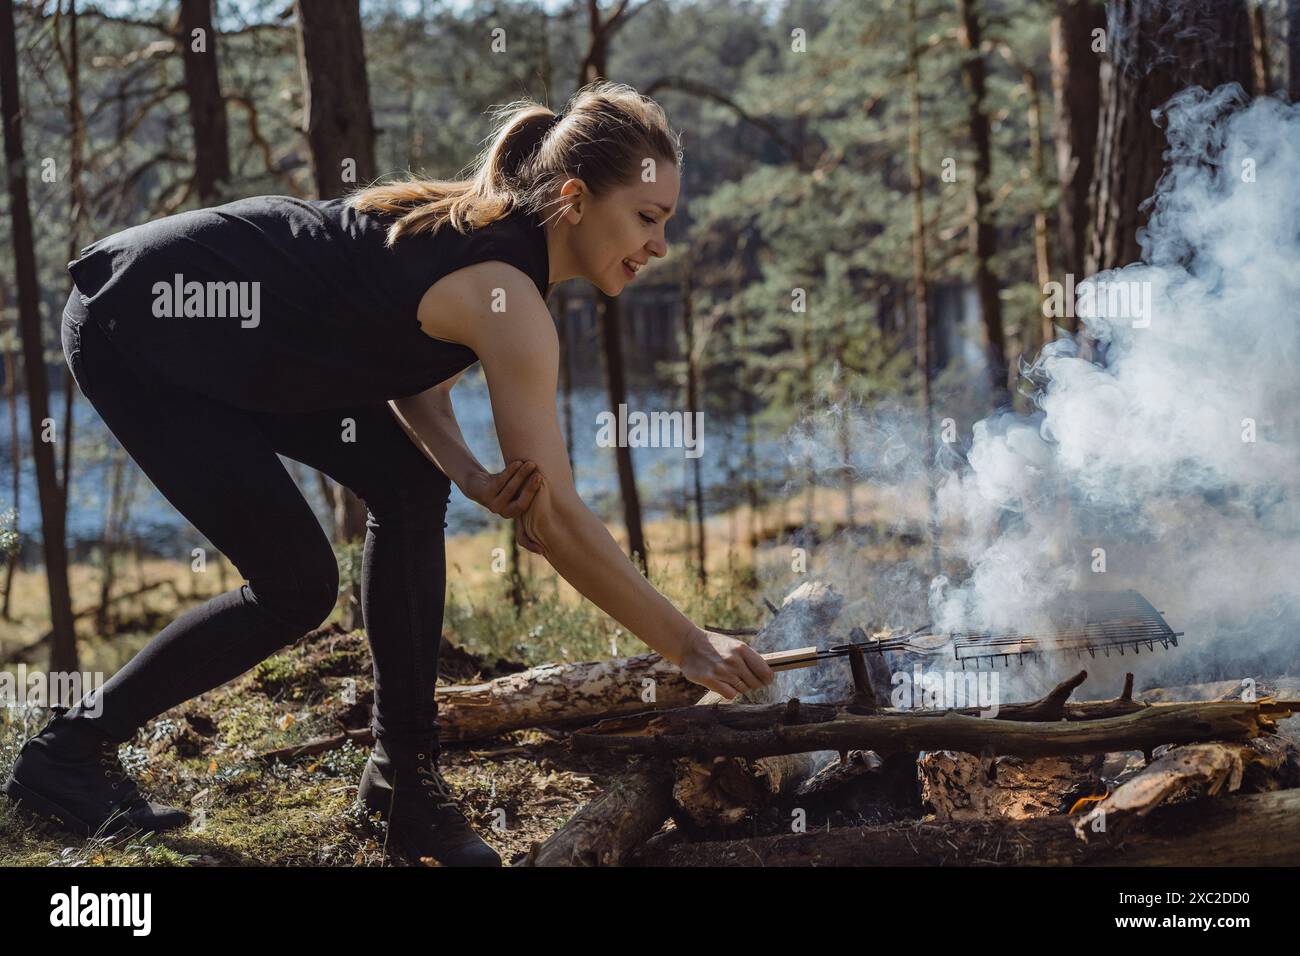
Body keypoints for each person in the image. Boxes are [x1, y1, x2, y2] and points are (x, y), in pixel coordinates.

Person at [3, 80, 774, 866]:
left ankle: (403, 782)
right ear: (574, 198)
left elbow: (407, 373)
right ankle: (65, 757)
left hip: (243, 347)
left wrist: (471, 474)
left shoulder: (496, 257)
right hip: (144, 326)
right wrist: (688, 644)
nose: (660, 245)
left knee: (411, 489)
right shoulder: (506, 294)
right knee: (297, 584)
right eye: (648, 218)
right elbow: (558, 519)